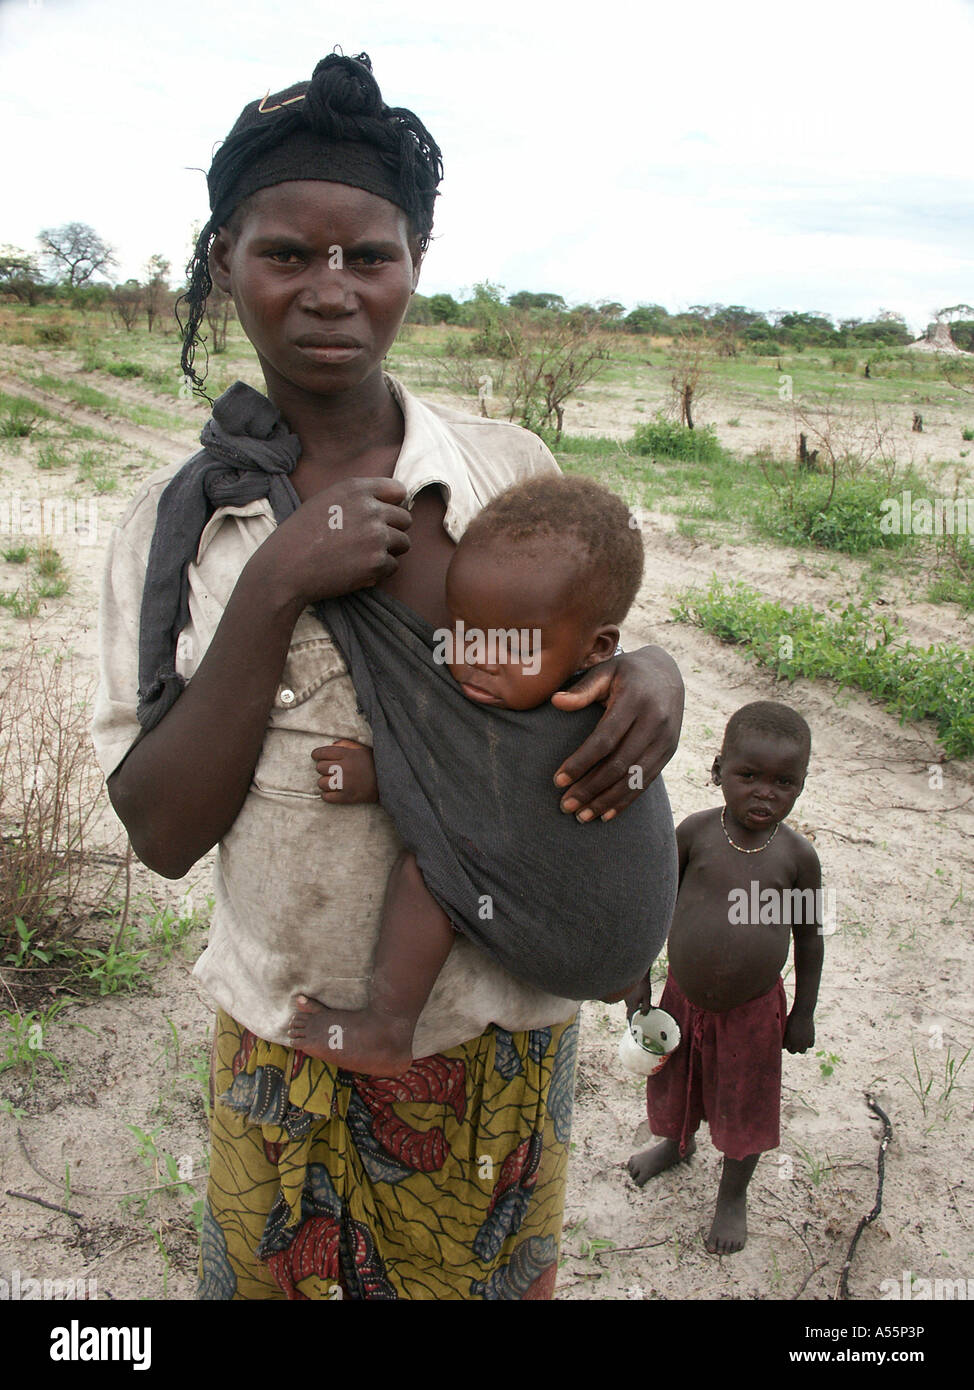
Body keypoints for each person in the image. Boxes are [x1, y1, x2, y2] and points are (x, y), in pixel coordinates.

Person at [92, 52, 685, 1301]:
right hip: (287, 1020)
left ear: (414, 263)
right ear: (221, 264)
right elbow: (158, 829)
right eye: (286, 255)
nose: (330, 291)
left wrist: (654, 675)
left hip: (495, 1025)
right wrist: (275, 584)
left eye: (369, 255)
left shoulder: (500, 466)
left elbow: (575, 659)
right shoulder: (172, 530)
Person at [288, 472, 673, 1075]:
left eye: (514, 648)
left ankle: (387, 1028)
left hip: (588, 946)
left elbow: (480, 806)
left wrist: (381, 777)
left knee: (427, 876)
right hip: (623, 957)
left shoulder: (595, 713)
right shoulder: (580, 680)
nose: (475, 662)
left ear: (597, 649)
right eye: (463, 631)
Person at [626, 701, 824, 1255]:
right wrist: (637, 978)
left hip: (755, 1012)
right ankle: (674, 1144)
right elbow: (654, 904)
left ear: (802, 786)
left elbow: (809, 939)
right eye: (749, 776)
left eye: (785, 782)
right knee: (675, 1082)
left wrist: (803, 1012)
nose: (765, 793)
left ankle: (732, 1194)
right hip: (682, 1001)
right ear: (718, 771)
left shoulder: (797, 859)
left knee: (745, 1102)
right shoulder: (694, 835)